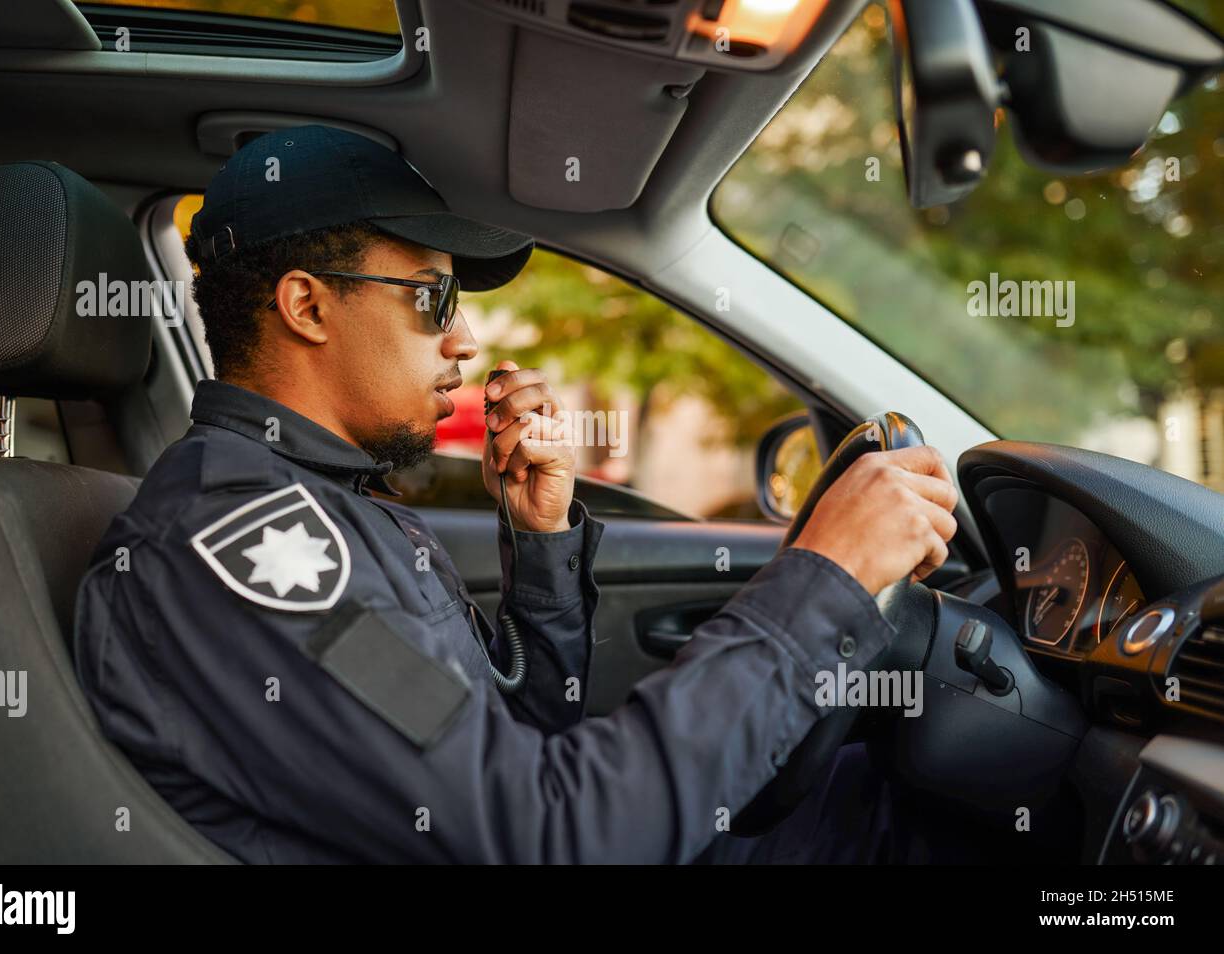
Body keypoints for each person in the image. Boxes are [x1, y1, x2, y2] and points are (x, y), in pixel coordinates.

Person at [73, 125, 959, 864]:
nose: (464, 339)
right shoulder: (247, 545)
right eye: (433, 296)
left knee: (889, 797)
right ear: (307, 307)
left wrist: (538, 548)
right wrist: (824, 579)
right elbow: (552, 832)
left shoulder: (326, 500)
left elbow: (511, 743)